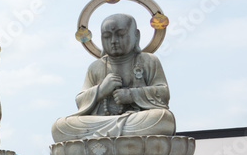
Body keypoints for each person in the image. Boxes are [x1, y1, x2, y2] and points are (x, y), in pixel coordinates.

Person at [51, 13, 174, 143]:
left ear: (136, 35)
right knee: (61, 126)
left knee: (162, 118)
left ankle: (100, 138)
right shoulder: (95, 67)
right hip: (100, 121)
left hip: (136, 119)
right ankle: (116, 135)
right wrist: (101, 90)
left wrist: (132, 95)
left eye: (120, 35)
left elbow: (164, 94)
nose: (114, 41)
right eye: (107, 36)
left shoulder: (149, 61)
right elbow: (80, 101)